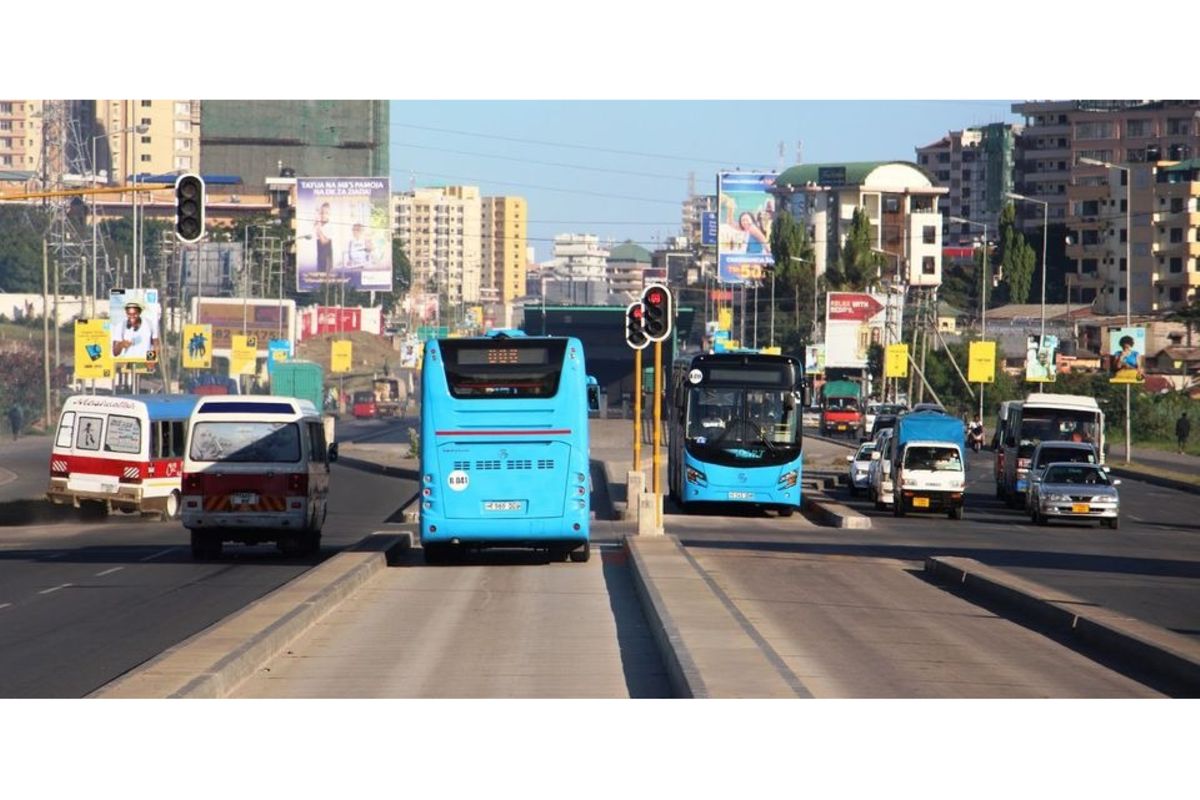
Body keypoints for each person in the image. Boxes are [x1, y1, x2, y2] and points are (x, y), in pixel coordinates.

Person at [314, 202, 334, 273]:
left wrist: (318, 228)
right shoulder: (316, 224)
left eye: (326, 213)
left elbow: (323, 242)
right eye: (321, 212)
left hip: (326, 262)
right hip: (318, 259)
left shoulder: (330, 226)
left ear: (329, 214)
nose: (323, 215)